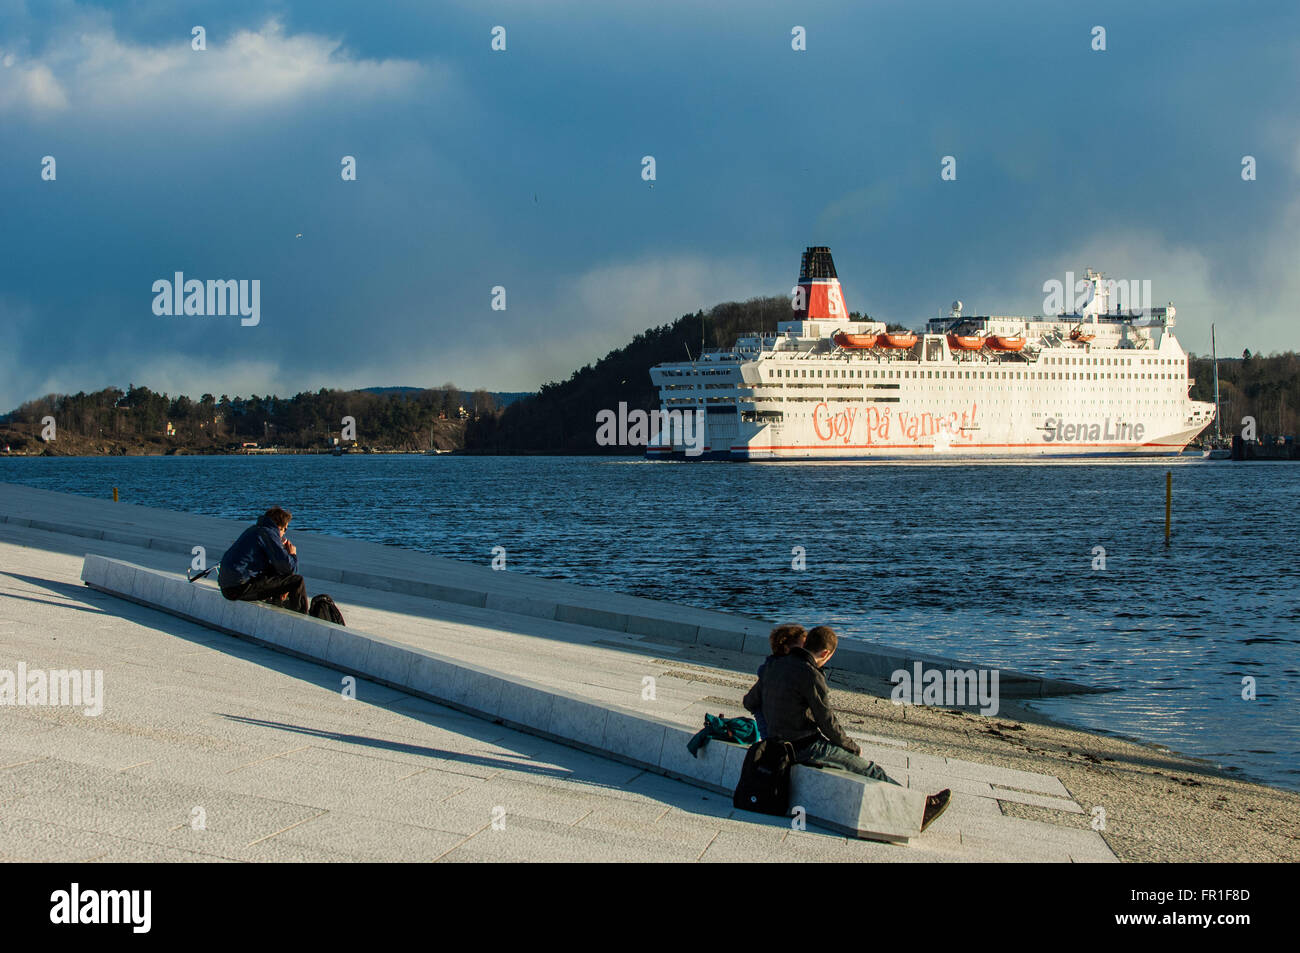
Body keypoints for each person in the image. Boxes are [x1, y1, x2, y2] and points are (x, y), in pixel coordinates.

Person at [743, 623, 951, 831]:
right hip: (804, 747)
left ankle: (916, 807)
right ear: (826, 653)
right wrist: (851, 747)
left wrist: (769, 726)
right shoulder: (810, 674)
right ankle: (921, 810)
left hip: (777, 742)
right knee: (871, 770)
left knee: (862, 767)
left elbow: (750, 701)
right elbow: (827, 721)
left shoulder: (773, 666)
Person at [217, 506, 307, 614]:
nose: (284, 534)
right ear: (279, 526)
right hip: (238, 588)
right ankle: (300, 615)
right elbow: (288, 568)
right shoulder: (268, 533)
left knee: (275, 571)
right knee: (297, 581)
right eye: (285, 529)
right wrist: (292, 554)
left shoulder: (254, 529)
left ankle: (277, 603)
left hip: (227, 587)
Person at [751, 623, 807, 739]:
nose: (805, 650)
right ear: (787, 648)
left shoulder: (772, 667)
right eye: (802, 646)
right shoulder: (777, 670)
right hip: (774, 732)